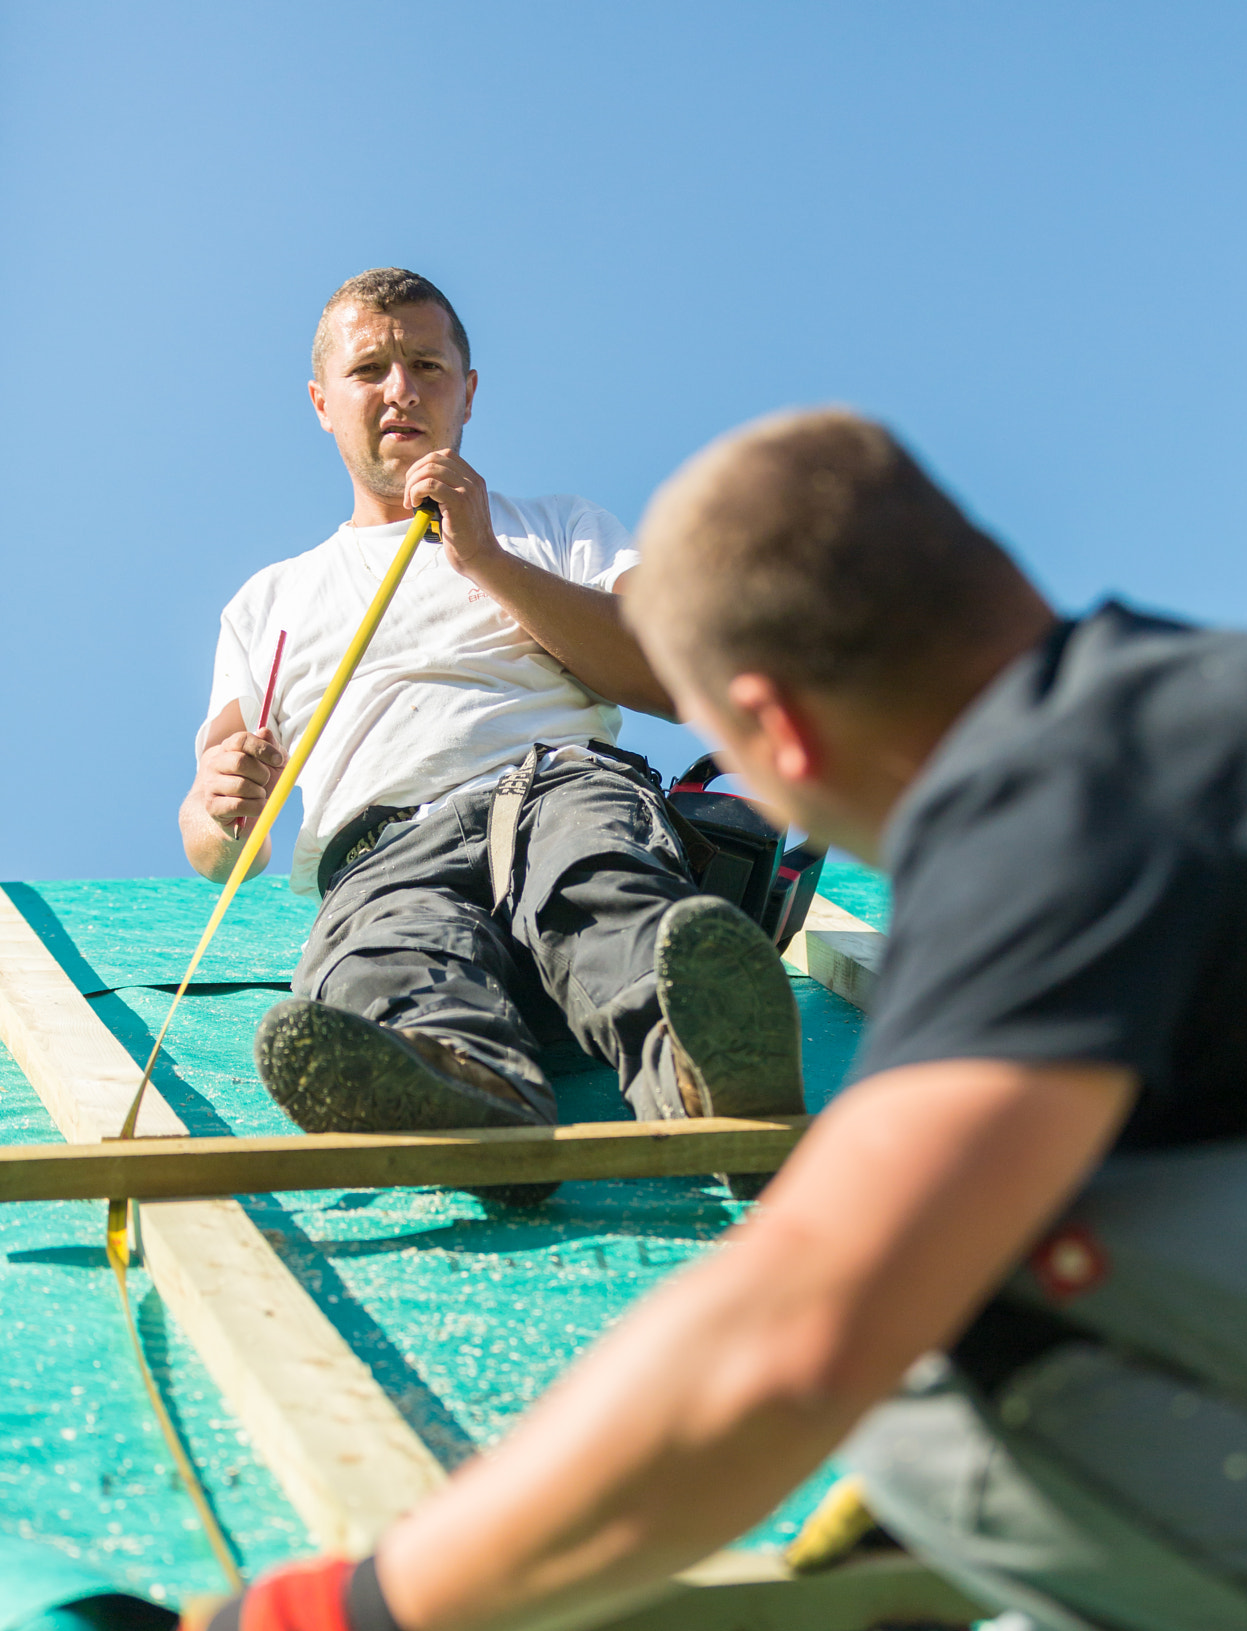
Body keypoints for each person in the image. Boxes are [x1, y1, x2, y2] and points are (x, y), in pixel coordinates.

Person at [158, 408, 1247, 1631]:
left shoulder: (1050, 808)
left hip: (554, 795)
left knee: (941, 1326)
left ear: (771, 739)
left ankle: (676, 1057)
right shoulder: (1228, 711)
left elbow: (801, 1324)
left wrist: (369, 1619)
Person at [178, 268, 803, 1184]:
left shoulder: (556, 527)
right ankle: (469, 1095)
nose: (401, 389)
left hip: (554, 784)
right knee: (386, 952)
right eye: (370, 369)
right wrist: (219, 802)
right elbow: (217, 844)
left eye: (427, 364)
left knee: (599, 885)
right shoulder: (267, 602)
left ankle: (705, 1072)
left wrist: (485, 559)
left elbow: (676, 680)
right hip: (378, 848)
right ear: (322, 401)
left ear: (466, 393)